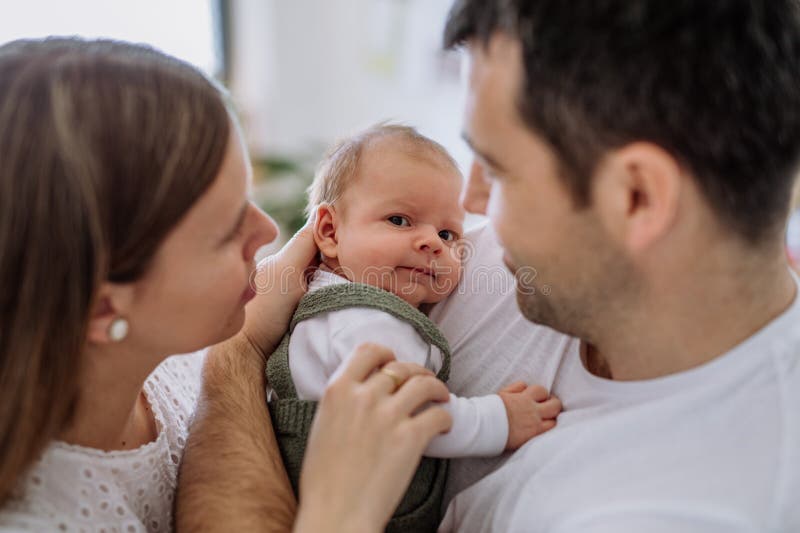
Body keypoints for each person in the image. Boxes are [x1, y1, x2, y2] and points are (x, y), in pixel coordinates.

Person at [180, 1, 800, 532]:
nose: (469, 212)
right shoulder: (489, 267)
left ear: (635, 198)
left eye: (498, 171)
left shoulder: (675, 511)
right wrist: (239, 349)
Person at [0, 38, 452, 532]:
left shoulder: (173, 353)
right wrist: (337, 516)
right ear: (104, 310)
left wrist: (245, 344)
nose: (267, 234)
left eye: (248, 197)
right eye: (225, 228)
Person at [266, 123, 560, 530]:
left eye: (447, 232)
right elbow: (408, 417)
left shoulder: (350, 306)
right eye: (400, 220)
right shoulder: (360, 321)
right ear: (330, 232)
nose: (432, 243)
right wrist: (498, 420)